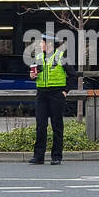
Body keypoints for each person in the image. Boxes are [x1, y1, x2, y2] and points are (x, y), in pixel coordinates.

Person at [29, 35, 68, 165]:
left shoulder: (61, 56)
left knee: (57, 125)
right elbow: (36, 74)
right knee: (40, 125)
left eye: (42, 42)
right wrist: (33, 76)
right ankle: (38, 156)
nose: (40, 45)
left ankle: (56, 156)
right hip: (42, 94)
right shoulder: (39, 57)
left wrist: (65, 91)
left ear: (49, 44)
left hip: (56, 94)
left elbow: (73, 75)